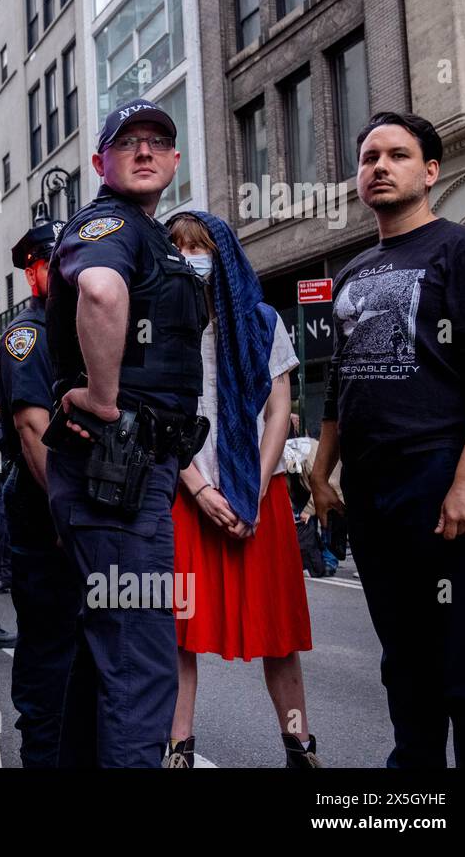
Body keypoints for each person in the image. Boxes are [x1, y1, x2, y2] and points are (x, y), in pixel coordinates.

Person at [311, 111, 465, 768]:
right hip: (373, 489)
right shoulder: (356, 269)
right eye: (368, 158)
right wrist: (320, 470)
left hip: (442, 481)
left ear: (430, 171)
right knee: (405, 664)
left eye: (396, 155)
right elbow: (340, 381)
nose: (379, 167)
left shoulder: (462, 251)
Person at [45, 97, 209, 767]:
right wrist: (105, 400)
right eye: (127, 142)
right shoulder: (111, 223)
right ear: (99, 161)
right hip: (117, 472)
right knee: (142, 666)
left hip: (135, 471)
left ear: (174, 159)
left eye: (157, 141)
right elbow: (103, 293)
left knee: (106, 657)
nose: (144, 150)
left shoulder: (150, 233)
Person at [161, 211, 319, 769]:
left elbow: (280, 408)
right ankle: (178, 746)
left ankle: (299, 746)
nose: (189, 258)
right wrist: (201, 491)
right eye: (176, 248)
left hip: (259, 491)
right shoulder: (158, 324)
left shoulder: (261, 319)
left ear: (222, 253)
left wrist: (250, 487)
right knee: (178, 632)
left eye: (199, 247)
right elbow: (158, 418)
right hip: (188, 493)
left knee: (279, 633)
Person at [0, 219, 83, 768]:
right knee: (50, 651)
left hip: (87, 512)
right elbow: (32, 432)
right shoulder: (29, 335)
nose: (57, 270)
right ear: (32, 270)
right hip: (48, 515)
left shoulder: (85, 325)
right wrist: (65, 518)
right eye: (47, 262)